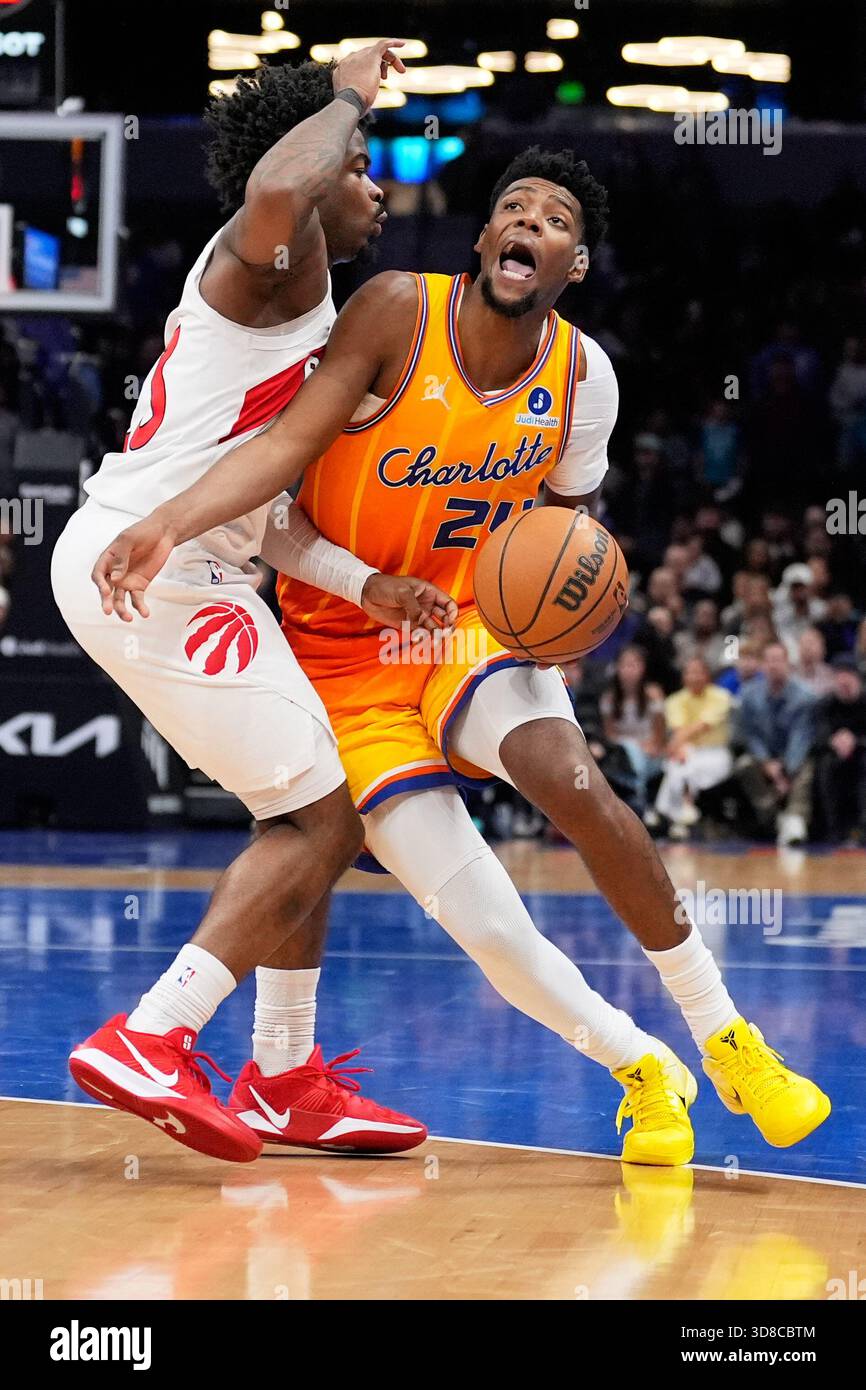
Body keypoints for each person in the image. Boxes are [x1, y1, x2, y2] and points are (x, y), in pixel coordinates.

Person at [92, 148, 830, 1163]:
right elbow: (274, 511)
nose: (529, 221)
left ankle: (727, 1038)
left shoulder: (582, 377)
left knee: (569, 779)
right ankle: (640, 1066)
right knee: (479, 915)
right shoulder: (395, 311)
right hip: (335, 642)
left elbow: (565, 539)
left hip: (463, 624)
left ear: (573, 264)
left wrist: (551, 626)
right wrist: (350, 581)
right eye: (511, 209)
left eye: (555, 218)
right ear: (482, 242)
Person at [49, 46, 448, 1162]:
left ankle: (283, 1076)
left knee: (310, 811)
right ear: (316, 168)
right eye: (360, 166)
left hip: (192, 564)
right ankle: (154, 1034)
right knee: (324, 817)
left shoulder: (296, 303)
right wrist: (345, 94)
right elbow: (280, 186)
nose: (375, 187)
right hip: (153, 565)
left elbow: (264, 506)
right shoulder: (272, 256)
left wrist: (365, 584)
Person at [735, 642, 816, 846]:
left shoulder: (805, 697)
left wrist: (786, 769)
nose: (774, 665)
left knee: (806, 769)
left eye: (779, 660)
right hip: (764, 757)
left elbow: (802, 737)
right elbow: (751, 735)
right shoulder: (749, 694)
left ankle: (796, 820)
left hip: (793, 755)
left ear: (788, 663)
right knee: (744, 765)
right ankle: (773, 818)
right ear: (762, 665)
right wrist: (766, 763)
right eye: (769, 661)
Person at [652, 657, 733, 839]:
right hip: (687, 750)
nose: (694, 677)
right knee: (681, 764)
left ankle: (663, 811)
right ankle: (683, 815)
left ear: (707, 675)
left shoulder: (721, 696)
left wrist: (674, 745)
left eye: (699, 672)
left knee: (679, 767)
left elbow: (701, 726)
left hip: (715, 753)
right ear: (684, 677)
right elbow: (679, 729)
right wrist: (679, 748)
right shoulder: (674, 700)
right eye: (690, 672)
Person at [599, 646, 665, 813]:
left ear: (642, 668)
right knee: (629, 749)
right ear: (617, 668)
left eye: (633, 665)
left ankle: (639, 795)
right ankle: (636, 796)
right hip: (624, 754)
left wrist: (649, 745)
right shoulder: (609, 698)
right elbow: (610, 735)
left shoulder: (654, 694)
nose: (629, 670)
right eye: (625, 665)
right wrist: (632, 745)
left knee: (636, 753)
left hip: (652, 753)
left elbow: (660, 733)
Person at [813, 655, 866, 843]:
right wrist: (833, 740)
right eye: (839, 675)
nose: (843, 680)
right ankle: (833, 829)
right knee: (825, 765)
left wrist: (856, 741)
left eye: (848, 675)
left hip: (862, 754)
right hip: (835, 756)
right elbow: (818, 736)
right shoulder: (825, 704)